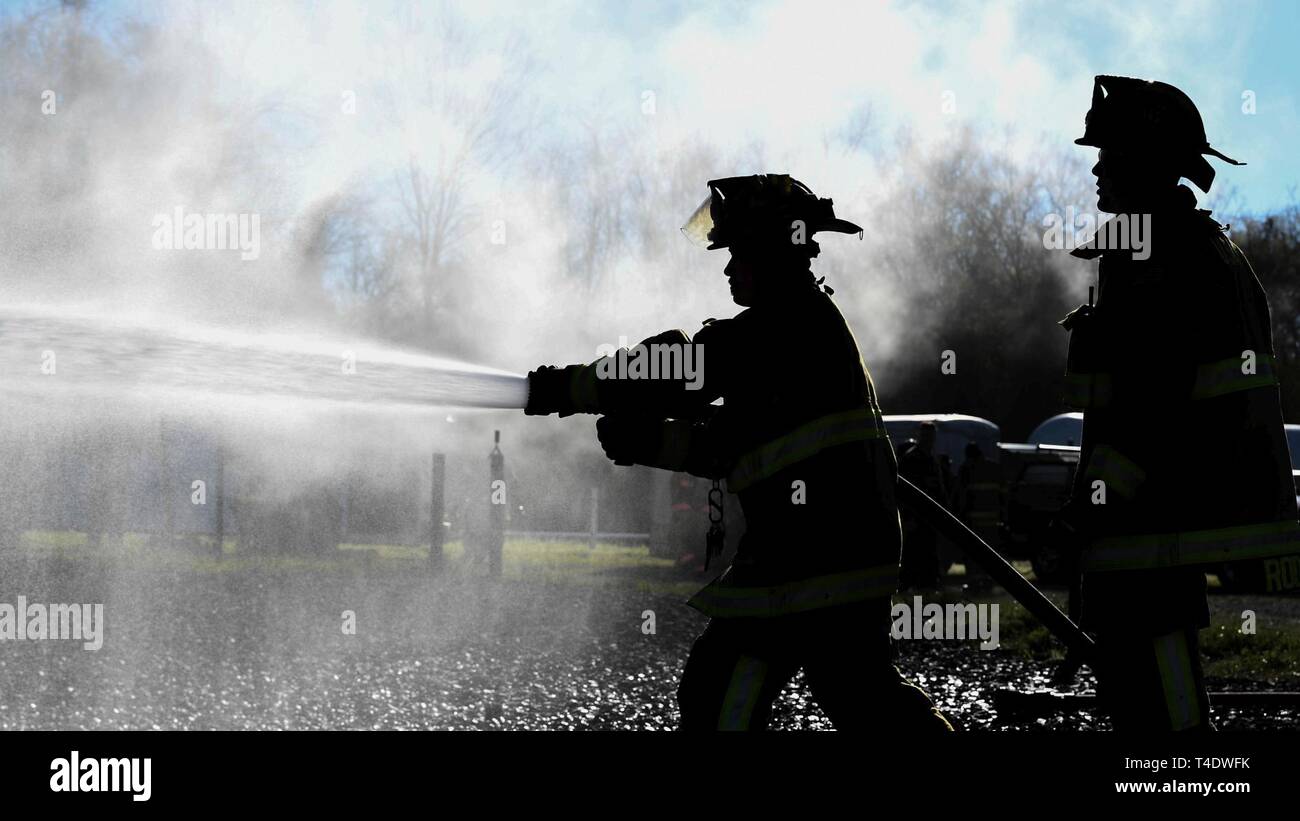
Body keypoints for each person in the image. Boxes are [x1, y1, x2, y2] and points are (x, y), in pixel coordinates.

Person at [525, 174, 951, 731]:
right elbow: (736, 443)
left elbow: (673, 371)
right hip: (827, 550)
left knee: (722, 692)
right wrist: (648, 442)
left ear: (773, 253)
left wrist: (564, 389)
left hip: (809, 554)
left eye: (739, 254)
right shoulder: (802, 327)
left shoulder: (782, 326)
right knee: (860, 696)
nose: (728, 269)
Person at [1057, 76, 1300, 731]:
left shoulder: (1167, 259)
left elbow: (1156, 404)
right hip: (1152, 508)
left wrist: (1101, 497)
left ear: (1148, 162)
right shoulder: (1151, 250)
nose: (1098, 167)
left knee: (1161, 664)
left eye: (1111, 153)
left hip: (1163, 509)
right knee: (1139, 675)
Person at [898, 421, 948, 589]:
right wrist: (907, 517)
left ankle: (927, 591)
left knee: (928, 557)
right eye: (927, 436)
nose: (929, 440)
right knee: (913, 558)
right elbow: (904, 491)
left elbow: (939, 490)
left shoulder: (931, 460)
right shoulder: (912, 459)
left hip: (930, 518)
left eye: (931, 436)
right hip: (916, 518)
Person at [953, 441, 998, 591]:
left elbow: (960, 495)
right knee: (990, 552)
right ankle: (988, 581)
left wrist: (958, 514)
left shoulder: (967, 469)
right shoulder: (994, 468)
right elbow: (1004, 493)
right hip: (992, 520)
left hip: (973, 520)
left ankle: (974, 582)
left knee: (972, 552)